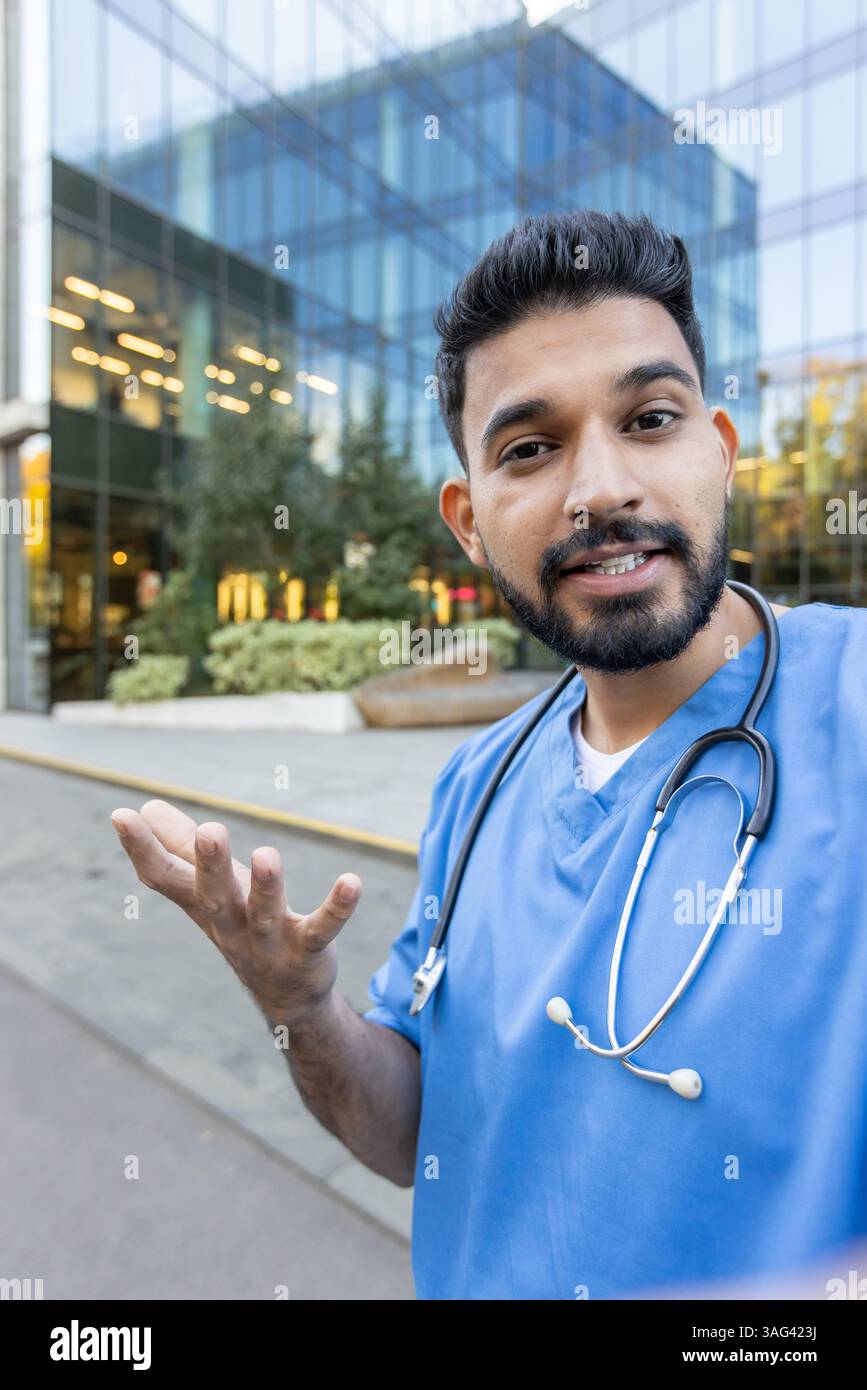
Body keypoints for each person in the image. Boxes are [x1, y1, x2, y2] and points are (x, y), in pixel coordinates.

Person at [110, 210, 867, 1301]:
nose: (600, 488)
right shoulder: (479, 785)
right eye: (531, 447)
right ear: (469, 520)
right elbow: (405, 1132)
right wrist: (299, 1005)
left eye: (650, 418)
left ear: (721, 448)